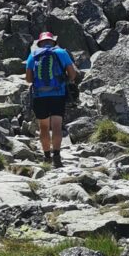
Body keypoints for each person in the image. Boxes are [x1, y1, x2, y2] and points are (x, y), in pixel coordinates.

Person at [25, 30, 79, 166]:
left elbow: (28, 79)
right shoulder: (61, 52)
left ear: (40, 43)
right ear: (53, 42)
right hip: (58, 94)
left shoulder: (33, 55)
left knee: (43, 127)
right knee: (56, 126)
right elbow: (72, 74)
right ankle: (57, 156)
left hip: (39, 96)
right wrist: (65, 81)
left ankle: (46, 157)